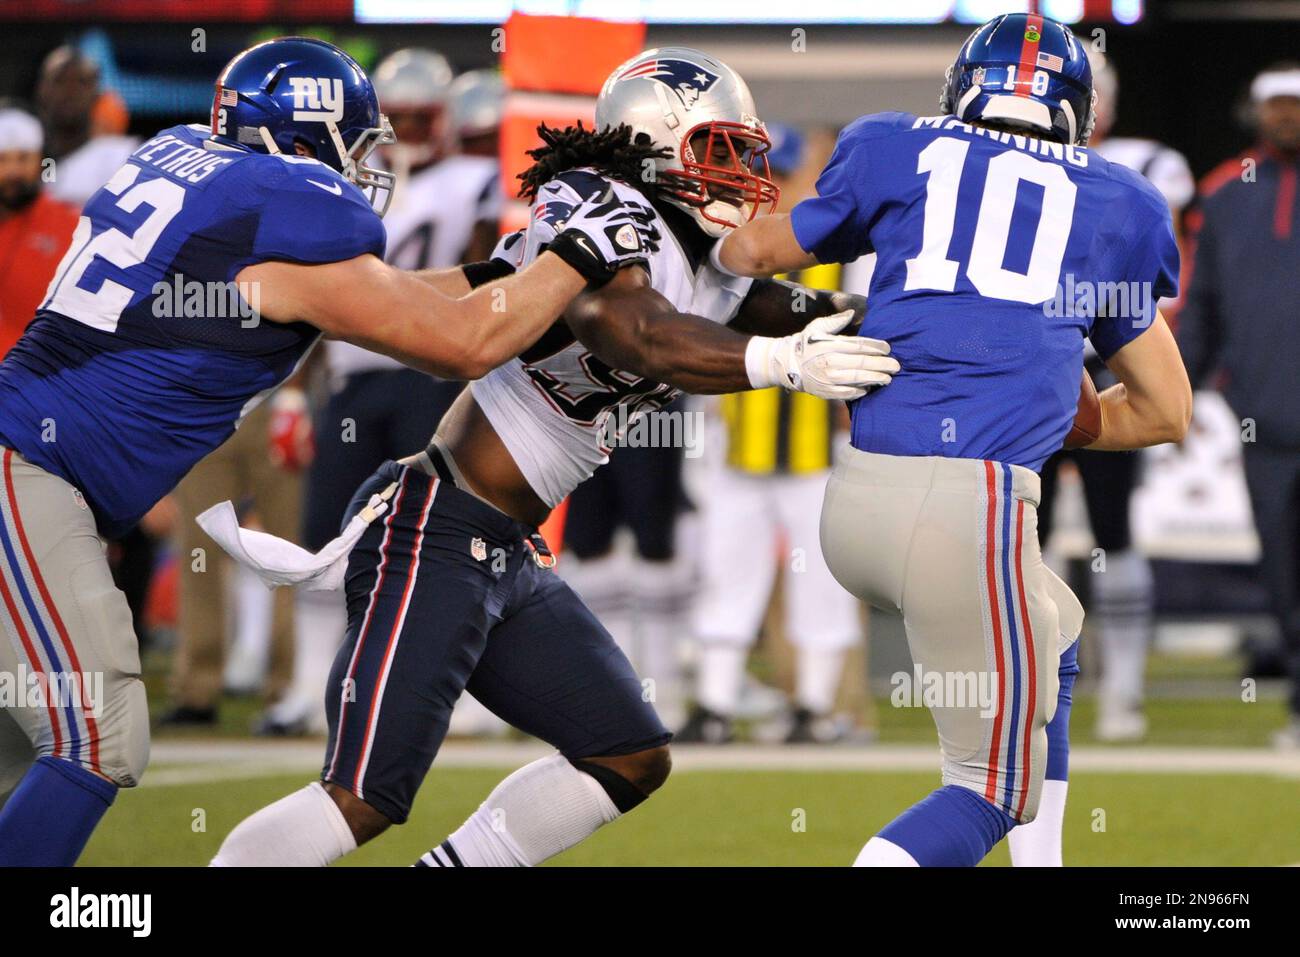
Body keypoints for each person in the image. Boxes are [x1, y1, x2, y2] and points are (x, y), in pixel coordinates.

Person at [208, 47, 898, 867]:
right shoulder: (604, 207)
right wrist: (776, 364)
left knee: (626, 750)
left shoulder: (702, 257)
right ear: (654, 141)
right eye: (720, 148)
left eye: (746, 153)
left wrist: (925, 327)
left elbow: (804, 312)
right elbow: (632, 329)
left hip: (504, 551)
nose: (742, 172)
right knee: (361, 797)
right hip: (434, 529)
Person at [0, 35, 658, 867]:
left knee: (28, 749)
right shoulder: (288, 205)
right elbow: (459, 343)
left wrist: (516, 266)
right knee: (98, 735)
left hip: (37, 467)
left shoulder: (190, 165)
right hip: (25, 469)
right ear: (304, 139)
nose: (364, 162)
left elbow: (390, 300)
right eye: (352, 140)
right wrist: (575, 253)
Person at [714, 14, 1191, 866]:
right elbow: (1165, 412)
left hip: (857, 498)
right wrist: (1057, 406)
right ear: (1075, 110)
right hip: (969, 512)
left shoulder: (892, 145)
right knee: (991, 785)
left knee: (1059, 631)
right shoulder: (1118, 199)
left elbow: (750, 253)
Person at [261, 47, 505, 736]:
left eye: (420, 116)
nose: (406, 130)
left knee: (439, 539)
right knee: (324, 537)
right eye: (394, 117)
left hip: (431, 373)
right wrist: (290, 394)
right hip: (352, 375)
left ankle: (453, 691)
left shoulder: (474, 178)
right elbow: (316, 295)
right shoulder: (345, 183)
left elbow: (490, 270)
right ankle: (313, 686)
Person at [1030, 51, 1195, 748]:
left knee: (1113, 527)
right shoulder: (1016, 162)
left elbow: (1150, 268)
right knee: (1018, 534)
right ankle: (1028, 681)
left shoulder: (1145, 164)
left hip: (1113, 361)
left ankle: (1122, 688)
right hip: (1033, 364)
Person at [682, 122, 866, 745]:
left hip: (817, 449)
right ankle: (713, 703)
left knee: (821, 577)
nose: (769, 186)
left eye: (777, 172)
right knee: (726, 573)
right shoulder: (725, 243)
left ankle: (812, 707)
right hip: (740, 443)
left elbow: (871, 330)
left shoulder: (845, 247)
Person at [1178, 61, 1300, 750]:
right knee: (1282, 569)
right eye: (1277, 105)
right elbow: (1201, 305)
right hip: (1267, 418)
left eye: (1297, 106)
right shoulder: (1225, 192)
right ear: (1258, 112)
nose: (1287, 117)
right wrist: (1178, 389)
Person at [0, 106, 78, 357]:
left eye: (23, 158)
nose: (13, 171)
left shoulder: (70, 225)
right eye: (2, 159)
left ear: (42, 161)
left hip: (37, 374)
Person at [35, 46, 138, 209]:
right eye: (60, 81)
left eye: (82, 82)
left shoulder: (123, 158)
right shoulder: (19, 157)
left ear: (97, 93)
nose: (70, 92)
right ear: (42, 90)